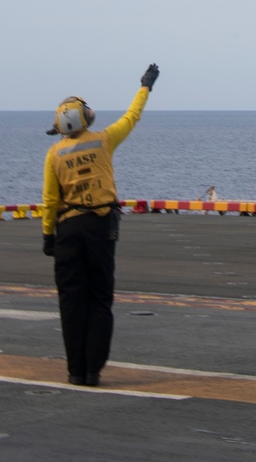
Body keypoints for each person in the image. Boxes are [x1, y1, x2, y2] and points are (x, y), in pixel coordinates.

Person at [42, 63, 159, 386]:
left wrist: (47, 236)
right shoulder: (104, 141)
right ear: (86, 117)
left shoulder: (54, 155)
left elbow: (50, 201)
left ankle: (75, 371)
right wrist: (145, 86)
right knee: (99, 298)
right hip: (100, 227)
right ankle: (94, 369)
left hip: (67, 230)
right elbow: (132, 116)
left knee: (71, 300)